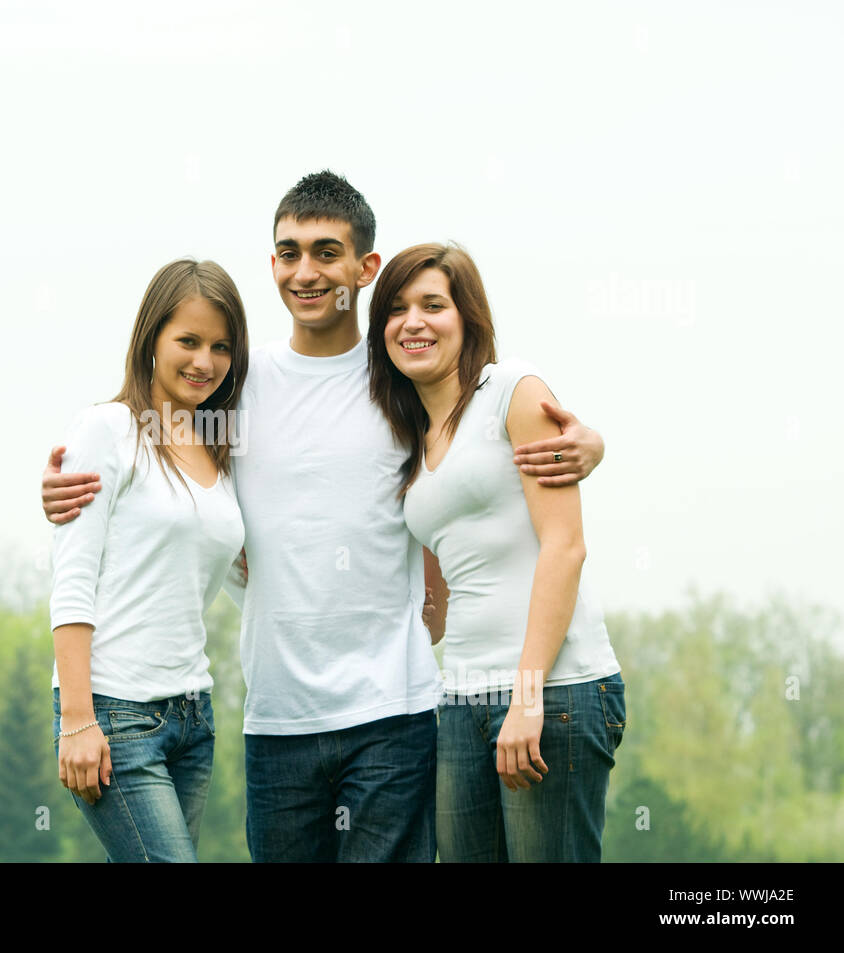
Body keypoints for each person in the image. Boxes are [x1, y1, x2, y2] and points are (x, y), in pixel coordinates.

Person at [42, 171, 607, 863]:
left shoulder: (401, 379)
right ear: (273, 264)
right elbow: (148, 454)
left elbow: (475, 440)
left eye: (326, 252)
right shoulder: (235, 392)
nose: (305, 271)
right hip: (276, 717)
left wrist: (592, 443)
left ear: (365, 267)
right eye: (288, 252)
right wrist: (62, 485)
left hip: (393, 719)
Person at [368, 241, 626, 862]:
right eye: (397, 308)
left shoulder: (512, 390)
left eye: (434, 304)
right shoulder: (412, 437)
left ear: (468, 319)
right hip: (461, 699)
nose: (414, 322)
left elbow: (565, 547)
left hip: (555, 691)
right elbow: (443, 596)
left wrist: (527, 697)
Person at [49, 258, 248, 862]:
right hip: (115, 711)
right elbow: (73, 576)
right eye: (186, 341)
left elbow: (240, 574)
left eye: (219, 346)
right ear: (151, 339)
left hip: (193, 713)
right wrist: (78, 719)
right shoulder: (108, 429)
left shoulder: (220, 447)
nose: (203, 361)